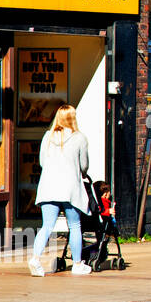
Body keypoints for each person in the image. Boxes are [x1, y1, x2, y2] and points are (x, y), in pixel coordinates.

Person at [28, 104, 92, 276]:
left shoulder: (47, 136)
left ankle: (35, 259)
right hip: (70, 188)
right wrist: (82, 172)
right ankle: (77, 264)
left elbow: (42, 162)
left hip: (49, 186)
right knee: (75, 225)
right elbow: (84, 165)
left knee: (46, 226)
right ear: (72, 118)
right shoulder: (80, 138)